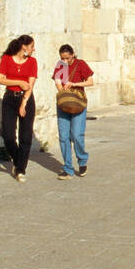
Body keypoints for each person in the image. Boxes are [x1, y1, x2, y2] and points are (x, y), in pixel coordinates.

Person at [0, 35, 37, 182]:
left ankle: (21, 170)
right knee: (8, 135)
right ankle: (17, 159)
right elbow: (0, 78)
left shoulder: (32, 62)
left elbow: (30, 85)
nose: (34, 49)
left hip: (26, 99)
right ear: (24, 47)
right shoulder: (7, 58)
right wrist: (19, 82)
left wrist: (23, 104)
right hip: (9, 98)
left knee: (25, 137)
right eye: (32, 46)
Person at [53, 43, 94, 179]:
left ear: (72, 55)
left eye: (67, 58)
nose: (65, 61)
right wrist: (64, 94)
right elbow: (58, 82)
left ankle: (82, 160)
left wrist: (75, 84)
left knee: (76, 135)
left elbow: (90, 81)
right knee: (64, 137)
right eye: (62, 58)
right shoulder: (60, 65)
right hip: (64, 103)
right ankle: (68, 169)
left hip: (78, 102)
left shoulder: (80, 64)